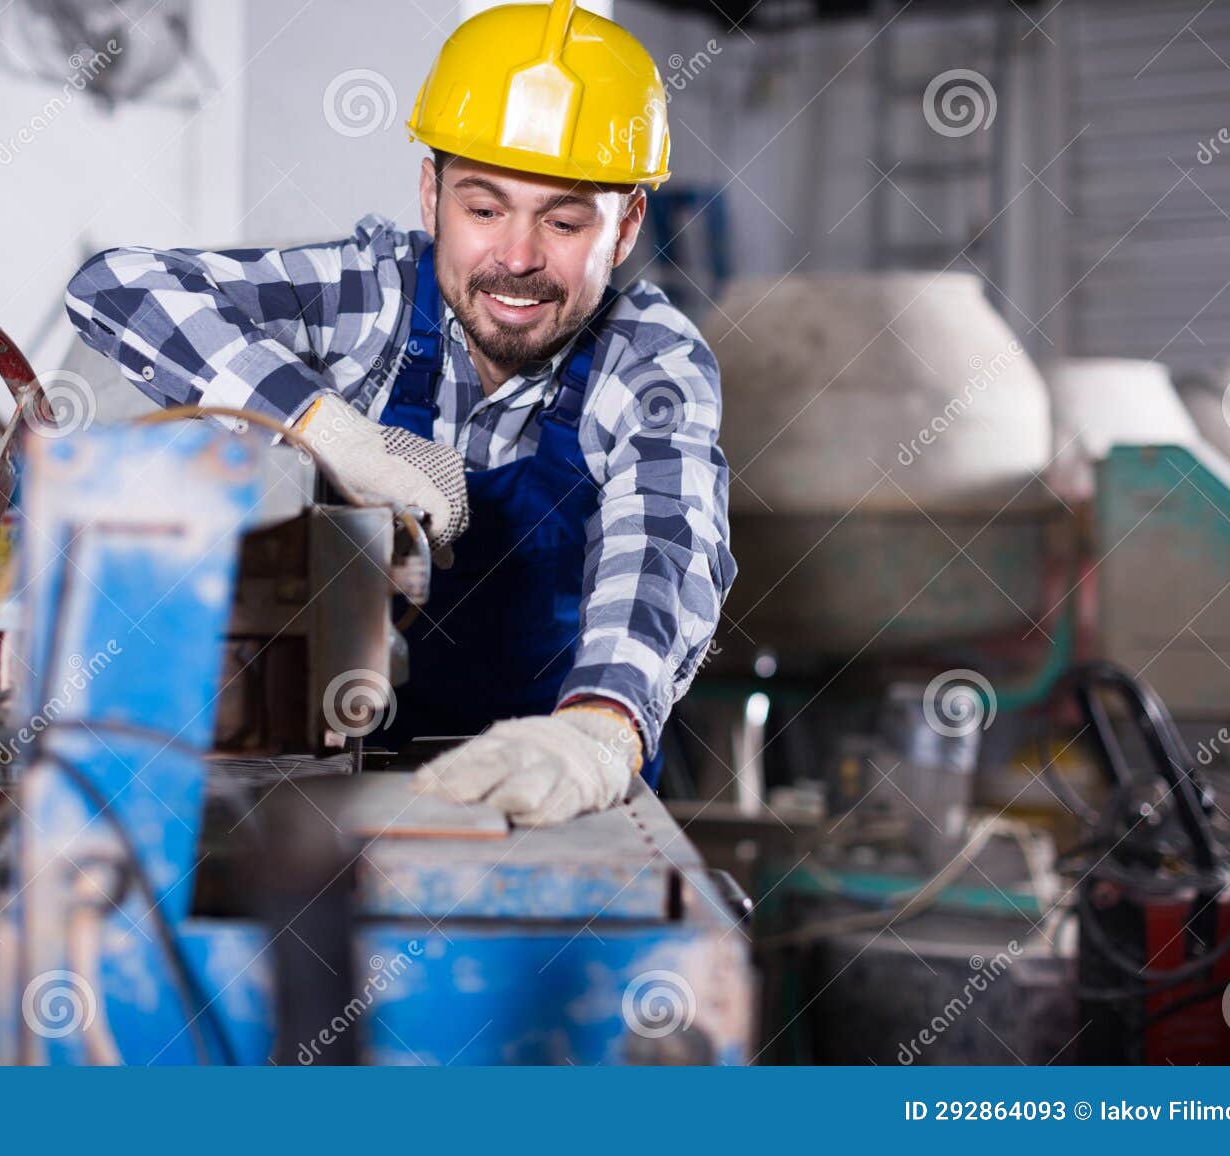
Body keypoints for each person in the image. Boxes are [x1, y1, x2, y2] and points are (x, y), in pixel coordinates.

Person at [64, 0, 733, 826]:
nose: (517, 258)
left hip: (564, 799)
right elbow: (115, 288)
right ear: (431, 193)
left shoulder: (650, 358)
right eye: (483, 210)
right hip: (349, 787)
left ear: (627, 224)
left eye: (562, 221)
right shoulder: (370, 298)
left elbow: (665, 541)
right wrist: (325, 428)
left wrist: (601, 727)